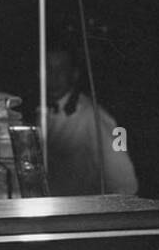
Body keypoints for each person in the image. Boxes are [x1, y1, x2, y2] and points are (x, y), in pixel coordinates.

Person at [41, 47, 138, 197]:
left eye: (62, 69)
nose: (54, 76)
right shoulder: (36, 114)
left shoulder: (95, 116)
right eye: (48, 68)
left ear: (74, 74)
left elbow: (125, 182)